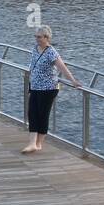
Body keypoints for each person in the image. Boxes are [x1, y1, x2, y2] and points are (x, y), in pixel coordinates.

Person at [22, 26, 79, 154]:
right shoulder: (35, 49)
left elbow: (62, 68)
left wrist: (73, 81)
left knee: (42, 115)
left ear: (47, 38)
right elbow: (33, 63)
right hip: (35, 87)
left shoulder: (51, 52)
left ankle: (38, 143)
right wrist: (29, 72)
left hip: (48, 89)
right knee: (32, 114)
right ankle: (32, 143)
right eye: (35, 37)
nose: (37, 39)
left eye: (39, 37)